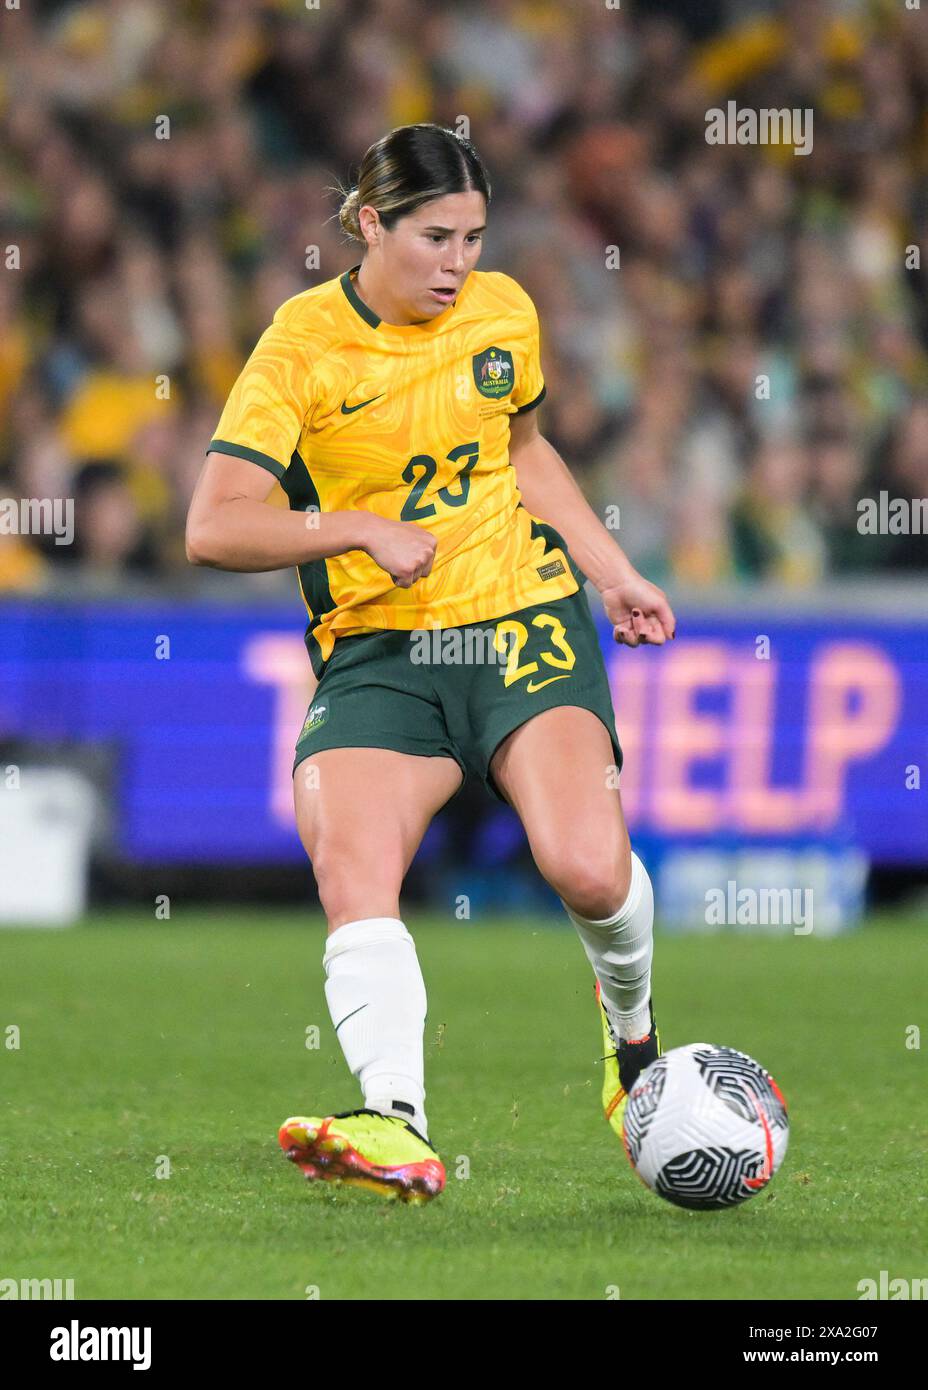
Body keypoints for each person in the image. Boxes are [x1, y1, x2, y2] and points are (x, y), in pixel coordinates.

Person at [185, 124, 676, 1204]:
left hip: (519, 623)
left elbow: (522, 450)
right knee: (351, 863)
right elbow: (215, 527)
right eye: (436, 237)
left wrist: (610, 569)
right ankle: (395, 1123)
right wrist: (351, 525)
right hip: (380, 652)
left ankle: (632, 1037)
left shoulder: (504, 312)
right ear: (370, 225)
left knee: (589, 869)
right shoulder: (302, 346)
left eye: (475, 237)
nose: (459, 263)